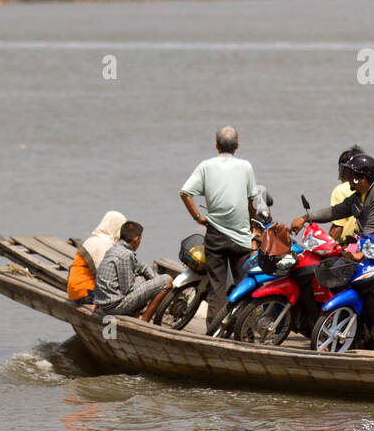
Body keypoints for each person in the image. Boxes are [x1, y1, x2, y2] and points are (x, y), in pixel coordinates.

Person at [290, 152, 374, 300]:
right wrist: (305, 218)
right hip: (373, 249)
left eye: (351, 175)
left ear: (362, 178)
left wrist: (358, 253)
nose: (348, 180)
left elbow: (373, 229)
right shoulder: (359, 196)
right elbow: (335, 212)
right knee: (335, 275)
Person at [180, 126, 257, 334]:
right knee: (244, 286)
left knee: (216, 287)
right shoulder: (245, 167)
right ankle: (246, 332)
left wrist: (198, 217)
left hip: (215, 235)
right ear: (237, 146)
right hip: (241, 237)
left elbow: (185, 192)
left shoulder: (206, 166)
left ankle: (213, 332)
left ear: (216, 145)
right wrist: (251, 222)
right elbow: (252, 201)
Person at [93, 221, 171, 316]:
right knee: (167, 280)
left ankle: (135, 315)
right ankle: (145, 321)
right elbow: (127, 289)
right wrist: (153, 285)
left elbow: (139, 266)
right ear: (136, 239)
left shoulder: (115, 248)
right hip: (114, 307)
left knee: (144, 280)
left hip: (104, 303)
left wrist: (154, 279)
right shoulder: (126, 254)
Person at [67, 210, 126, 308]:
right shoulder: (103, 243)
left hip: (75, 291)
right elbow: (104, 276)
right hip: (85, 293)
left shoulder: (94, 239)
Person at [328, 145, 364, 243]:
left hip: (349, 247)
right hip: (367, 243)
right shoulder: (369, 187)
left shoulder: (340, 190)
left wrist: (323, 248)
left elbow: (337, 227)